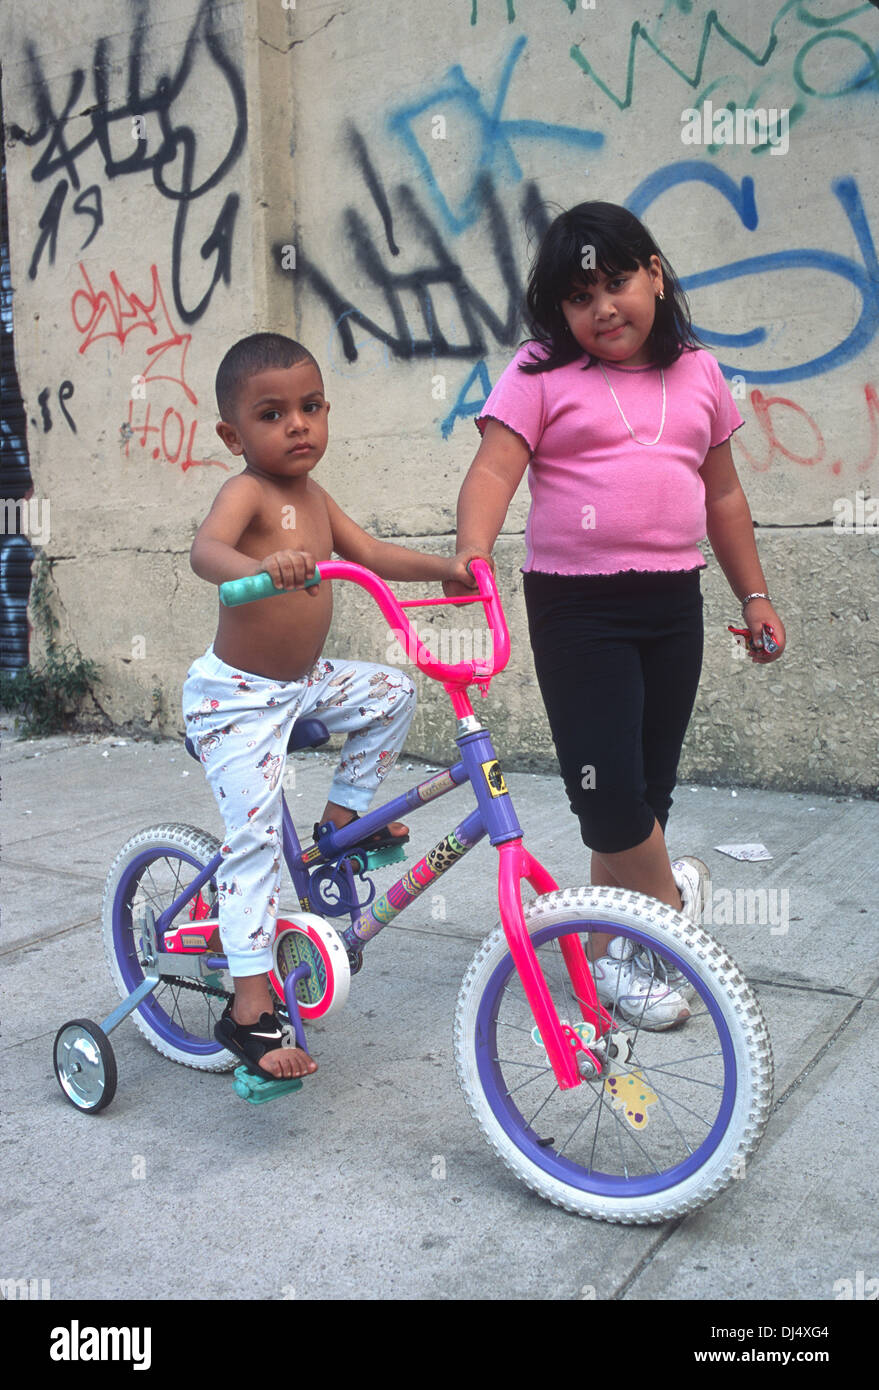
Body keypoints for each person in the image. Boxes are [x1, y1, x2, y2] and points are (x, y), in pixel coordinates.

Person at [450, 201, 786, 1029]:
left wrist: (753, 594)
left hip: (672, 600)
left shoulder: (699, 373)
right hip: (576, 605)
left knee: (646, 785)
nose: (602, 307)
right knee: (604, 795)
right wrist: (471, 548)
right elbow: (493, 471)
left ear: (655, 275)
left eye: (617, 281)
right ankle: (669, 909)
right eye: (578, 294)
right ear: (557, 313)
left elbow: (724, 495)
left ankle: (609, 950)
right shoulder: (538, 372)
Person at [183, 333, 478, 1080]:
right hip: (237, 701)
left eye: (310, 407)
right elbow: (205, 552)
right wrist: (261, 566)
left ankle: (337, 828)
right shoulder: (249, 494)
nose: (298, 426)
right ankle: (247, 1009)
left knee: (392, 690)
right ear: (233, 434)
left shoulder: (314, 497)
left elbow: (372, 553)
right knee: (250, 844)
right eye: (273, 413)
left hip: (301, 683)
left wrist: (447, 568)